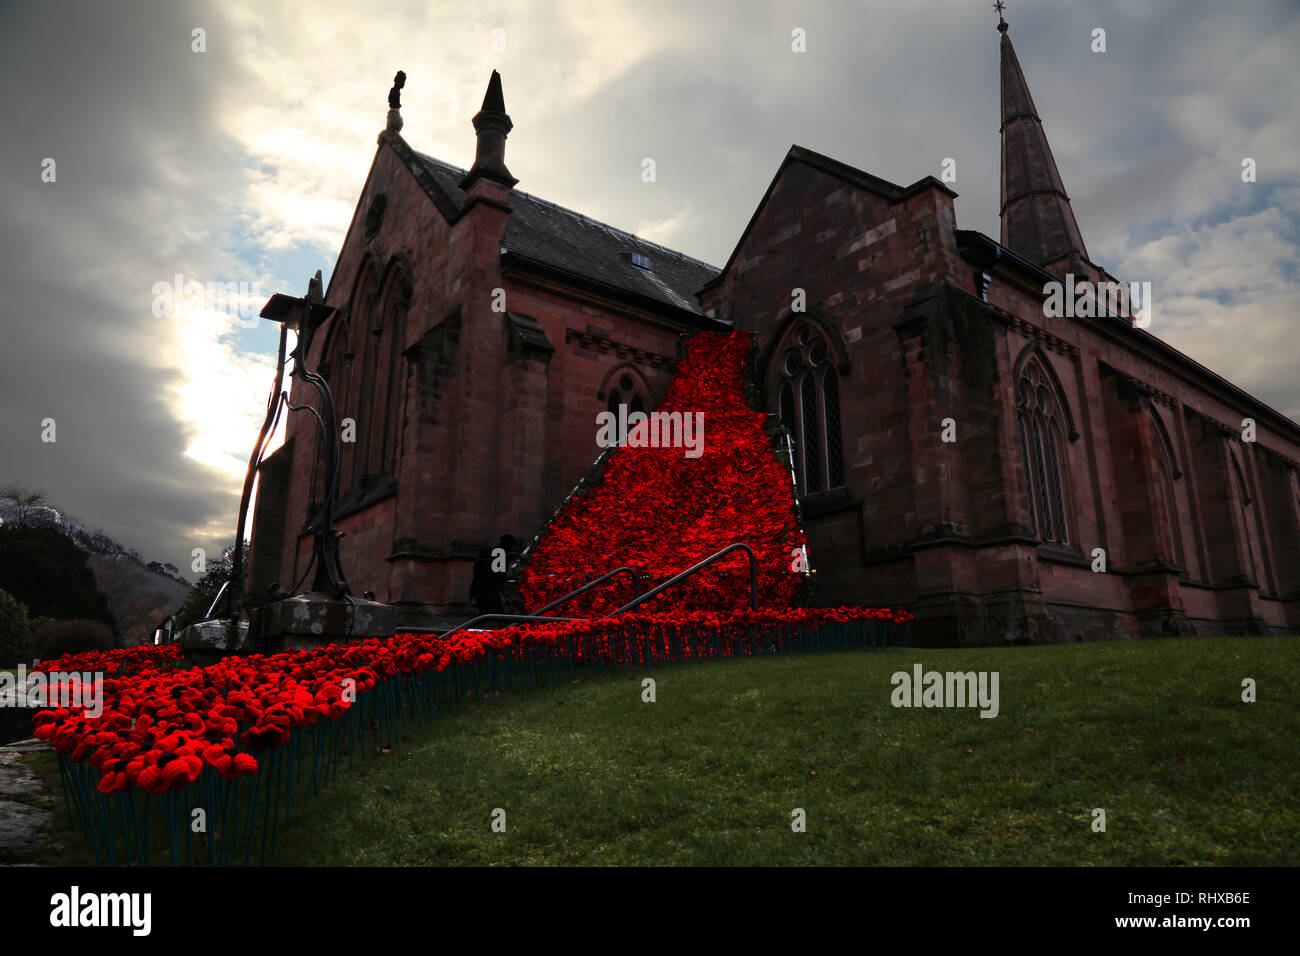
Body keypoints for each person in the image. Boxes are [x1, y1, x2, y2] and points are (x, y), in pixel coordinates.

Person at [470, 534, 517, 616]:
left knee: (486, 614)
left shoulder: (488, 552)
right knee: (494, 615)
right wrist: (503, 592)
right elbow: (499, 577)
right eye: (511, 546)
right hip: (489, 592)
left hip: (481, 590)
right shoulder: (500, 555)